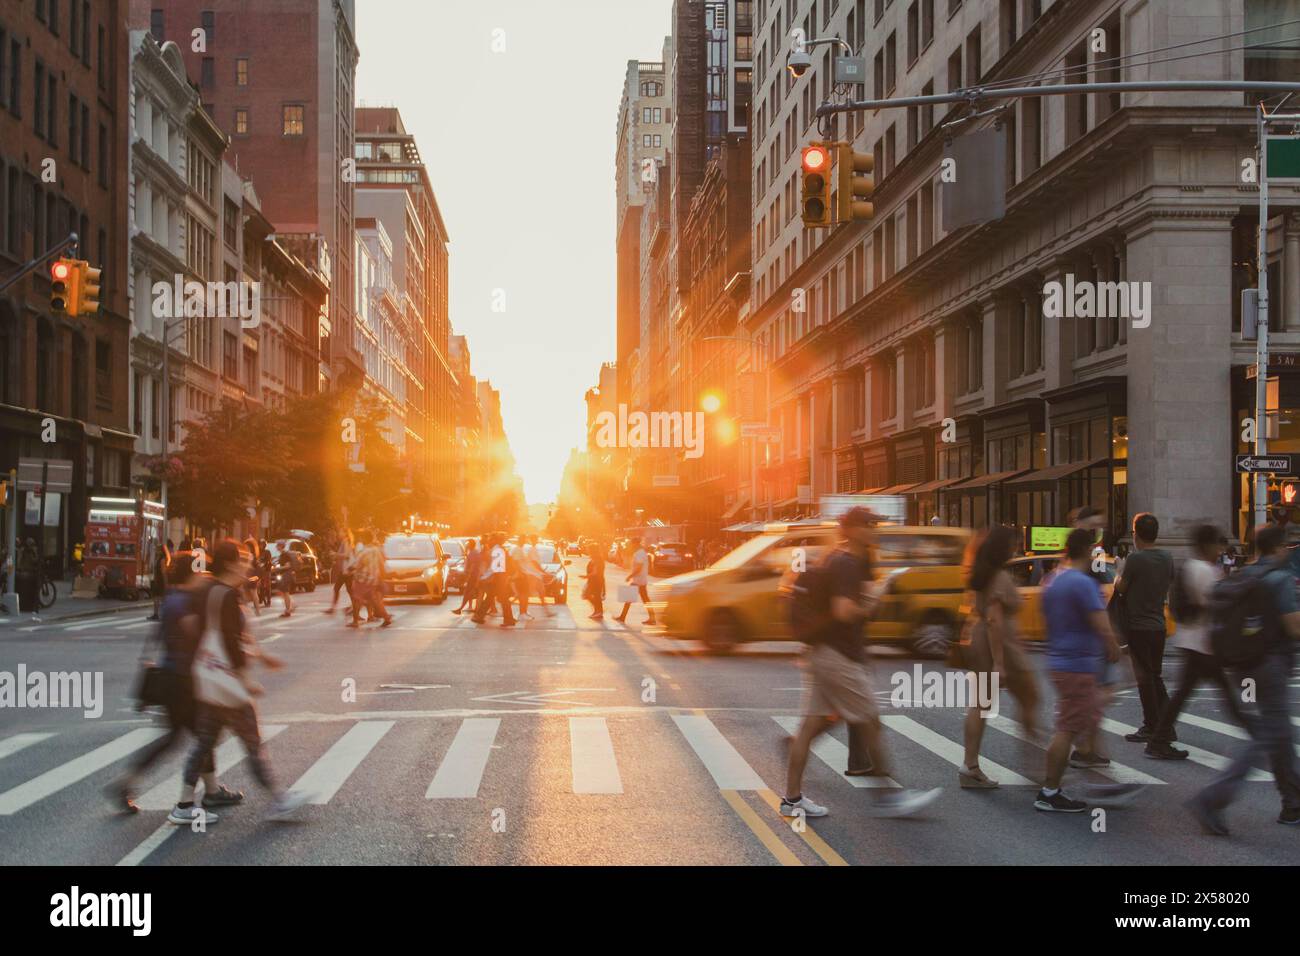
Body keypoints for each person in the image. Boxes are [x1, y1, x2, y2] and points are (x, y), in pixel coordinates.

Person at [781, 507, 941, 820]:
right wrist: (873, 599)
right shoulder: (847, 564)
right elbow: (844, 611)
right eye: (870, 524)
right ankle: (890, 797)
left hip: (821, 652)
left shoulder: (834, 557)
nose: (875, 529)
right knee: (870, 721)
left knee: (810, 727)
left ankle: (792, 800)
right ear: (852, 528)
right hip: (838, 655)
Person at [172, 540, 310, 824]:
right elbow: (231, 643)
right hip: (227, 683)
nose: (248, 563)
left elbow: (198, 630)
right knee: (252, 742)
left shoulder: (207, 589)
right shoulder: (227, 595)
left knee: (205, 742)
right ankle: (280, 800)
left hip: (209, 678)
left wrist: (259, 655)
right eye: (244, 559)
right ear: (232, 563)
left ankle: (184, 804)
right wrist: (246, 678)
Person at [1188, 523, 1300, 833]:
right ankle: (1212, 798)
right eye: (1285, 547)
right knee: (1267, 734)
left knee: (1278, 732)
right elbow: (1294, 628)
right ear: (1278, 548)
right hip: (1270, 665)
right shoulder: (1280, 580)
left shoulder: (1243, 575)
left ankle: (1293, 801)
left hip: (1241, 666)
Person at [111, 551, 242, 814]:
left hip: (176, 677)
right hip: (183, 680)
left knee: (183, 737)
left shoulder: (173, 598)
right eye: (200, 571)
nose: (204, 575)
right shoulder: (182, 602)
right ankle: (204, 793)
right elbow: (197, 633)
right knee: (204, 735)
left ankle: (210, 789)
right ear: (191, 574)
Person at [1036, 529, 1124, 812]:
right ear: (1087, 551)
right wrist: (1112, 648)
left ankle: (1067, 782)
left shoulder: (1052, 580)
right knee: (1068, 729)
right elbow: (1100, 622)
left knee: (1083, 717)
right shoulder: (1082, 583)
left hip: (1060, 661)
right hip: (1078, 665)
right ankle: (1049, 792)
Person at [1146, 524, 1242, 760]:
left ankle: (1158, 741)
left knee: (1187, 694)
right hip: (1203, 643)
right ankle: (1260, 737)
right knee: (1225, 696)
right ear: (1208, 545)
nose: (1221, 549)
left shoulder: (1191, 567)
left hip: (1193, 641)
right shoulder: (1204, 570)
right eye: (1219, 544)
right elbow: (1215, 603)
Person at [959, 526, 1040, 788]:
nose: (1016, 549)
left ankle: (969, 766)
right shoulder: (999, 577)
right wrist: (1000, 664)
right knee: (1030, 698)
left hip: (980, 639)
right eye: (1013, 544)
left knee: (980, 705)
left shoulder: (981, 573)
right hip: (1000, 646)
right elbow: (995, 620)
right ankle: (1040, 765)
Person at [1114, 513, 1174, 744]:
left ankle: (1152, 725)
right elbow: (1168, 583)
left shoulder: (1135, 560)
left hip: (1138, 626)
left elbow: (1121, 589)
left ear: (1136, 534)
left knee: (1145, 680)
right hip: (1158, 625)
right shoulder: (1167, 557)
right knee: (1155, 676)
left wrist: (1120, 571)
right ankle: (1165, 724)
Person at [474, 534, 515, 627]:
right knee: (493, 598)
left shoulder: (497, 550)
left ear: (495, 540)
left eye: (490, 539)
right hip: (500, 577)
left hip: (499, 578)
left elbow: (494, 568)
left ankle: (479, 616)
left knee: (498, 598)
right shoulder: (498, 549)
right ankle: (509, 619)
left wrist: (483, 577)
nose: (488, 541)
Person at [614, 536, 655, 626]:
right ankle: (652, 618)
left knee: (629, 598)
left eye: (631, 544)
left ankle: (622, 617)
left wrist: (630, 576)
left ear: (635, 544)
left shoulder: (639, 553)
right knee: (644, 599)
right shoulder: (640, 552)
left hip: (638, 580)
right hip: (640, 579)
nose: (630, 546)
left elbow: (639, 567)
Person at [453, 538, 481, 615]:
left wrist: (468, 575)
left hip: (473, 576)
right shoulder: (473, 552)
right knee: (471, 593)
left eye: (467, 544)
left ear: (470, 545)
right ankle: (466, 608)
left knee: (468, 593)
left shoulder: (472, 553)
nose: (466, 546)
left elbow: (473, 565)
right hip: (474, 576)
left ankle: (461, 608)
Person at [15, 538, 40, 617]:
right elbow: (34, 560)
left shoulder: (23, 550)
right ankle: (33, 608)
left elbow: (19, 562)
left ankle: (29, 607)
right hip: (29, 573)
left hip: (24, 573)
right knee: (34, 590)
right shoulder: (29, 551)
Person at [148, 541, 172, 622]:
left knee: (161, 598)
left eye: (158, 549)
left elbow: (163, 572)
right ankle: (156, 614)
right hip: (157, 580)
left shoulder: (162, 559)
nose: (156, 550)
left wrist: (166, 583)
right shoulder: (158, 558)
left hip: (160, 580)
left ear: (161, 550)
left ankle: (163, 614)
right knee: (156, 598)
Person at [584, 543, 606, 620]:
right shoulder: (594, 558)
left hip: (596, 581)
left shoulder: (597, 559)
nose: (587, 550)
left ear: (592, 550)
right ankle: (597, 611)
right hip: (593, 581)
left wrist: (586, 576)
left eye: (588, 549)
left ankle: (599, 611)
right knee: (591, 595)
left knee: (595, 596)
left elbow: (595, 572)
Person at [273, 543, 295, 618]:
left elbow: (288, 566)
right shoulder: (282, 555)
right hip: (284, 575)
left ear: (281, 546)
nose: (276, 547)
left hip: (286, 575)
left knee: (285, 592)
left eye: (277, 546)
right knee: (283, 592)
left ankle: (288, 610)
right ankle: (290, 607)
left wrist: (279, 568)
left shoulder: (285, 555)